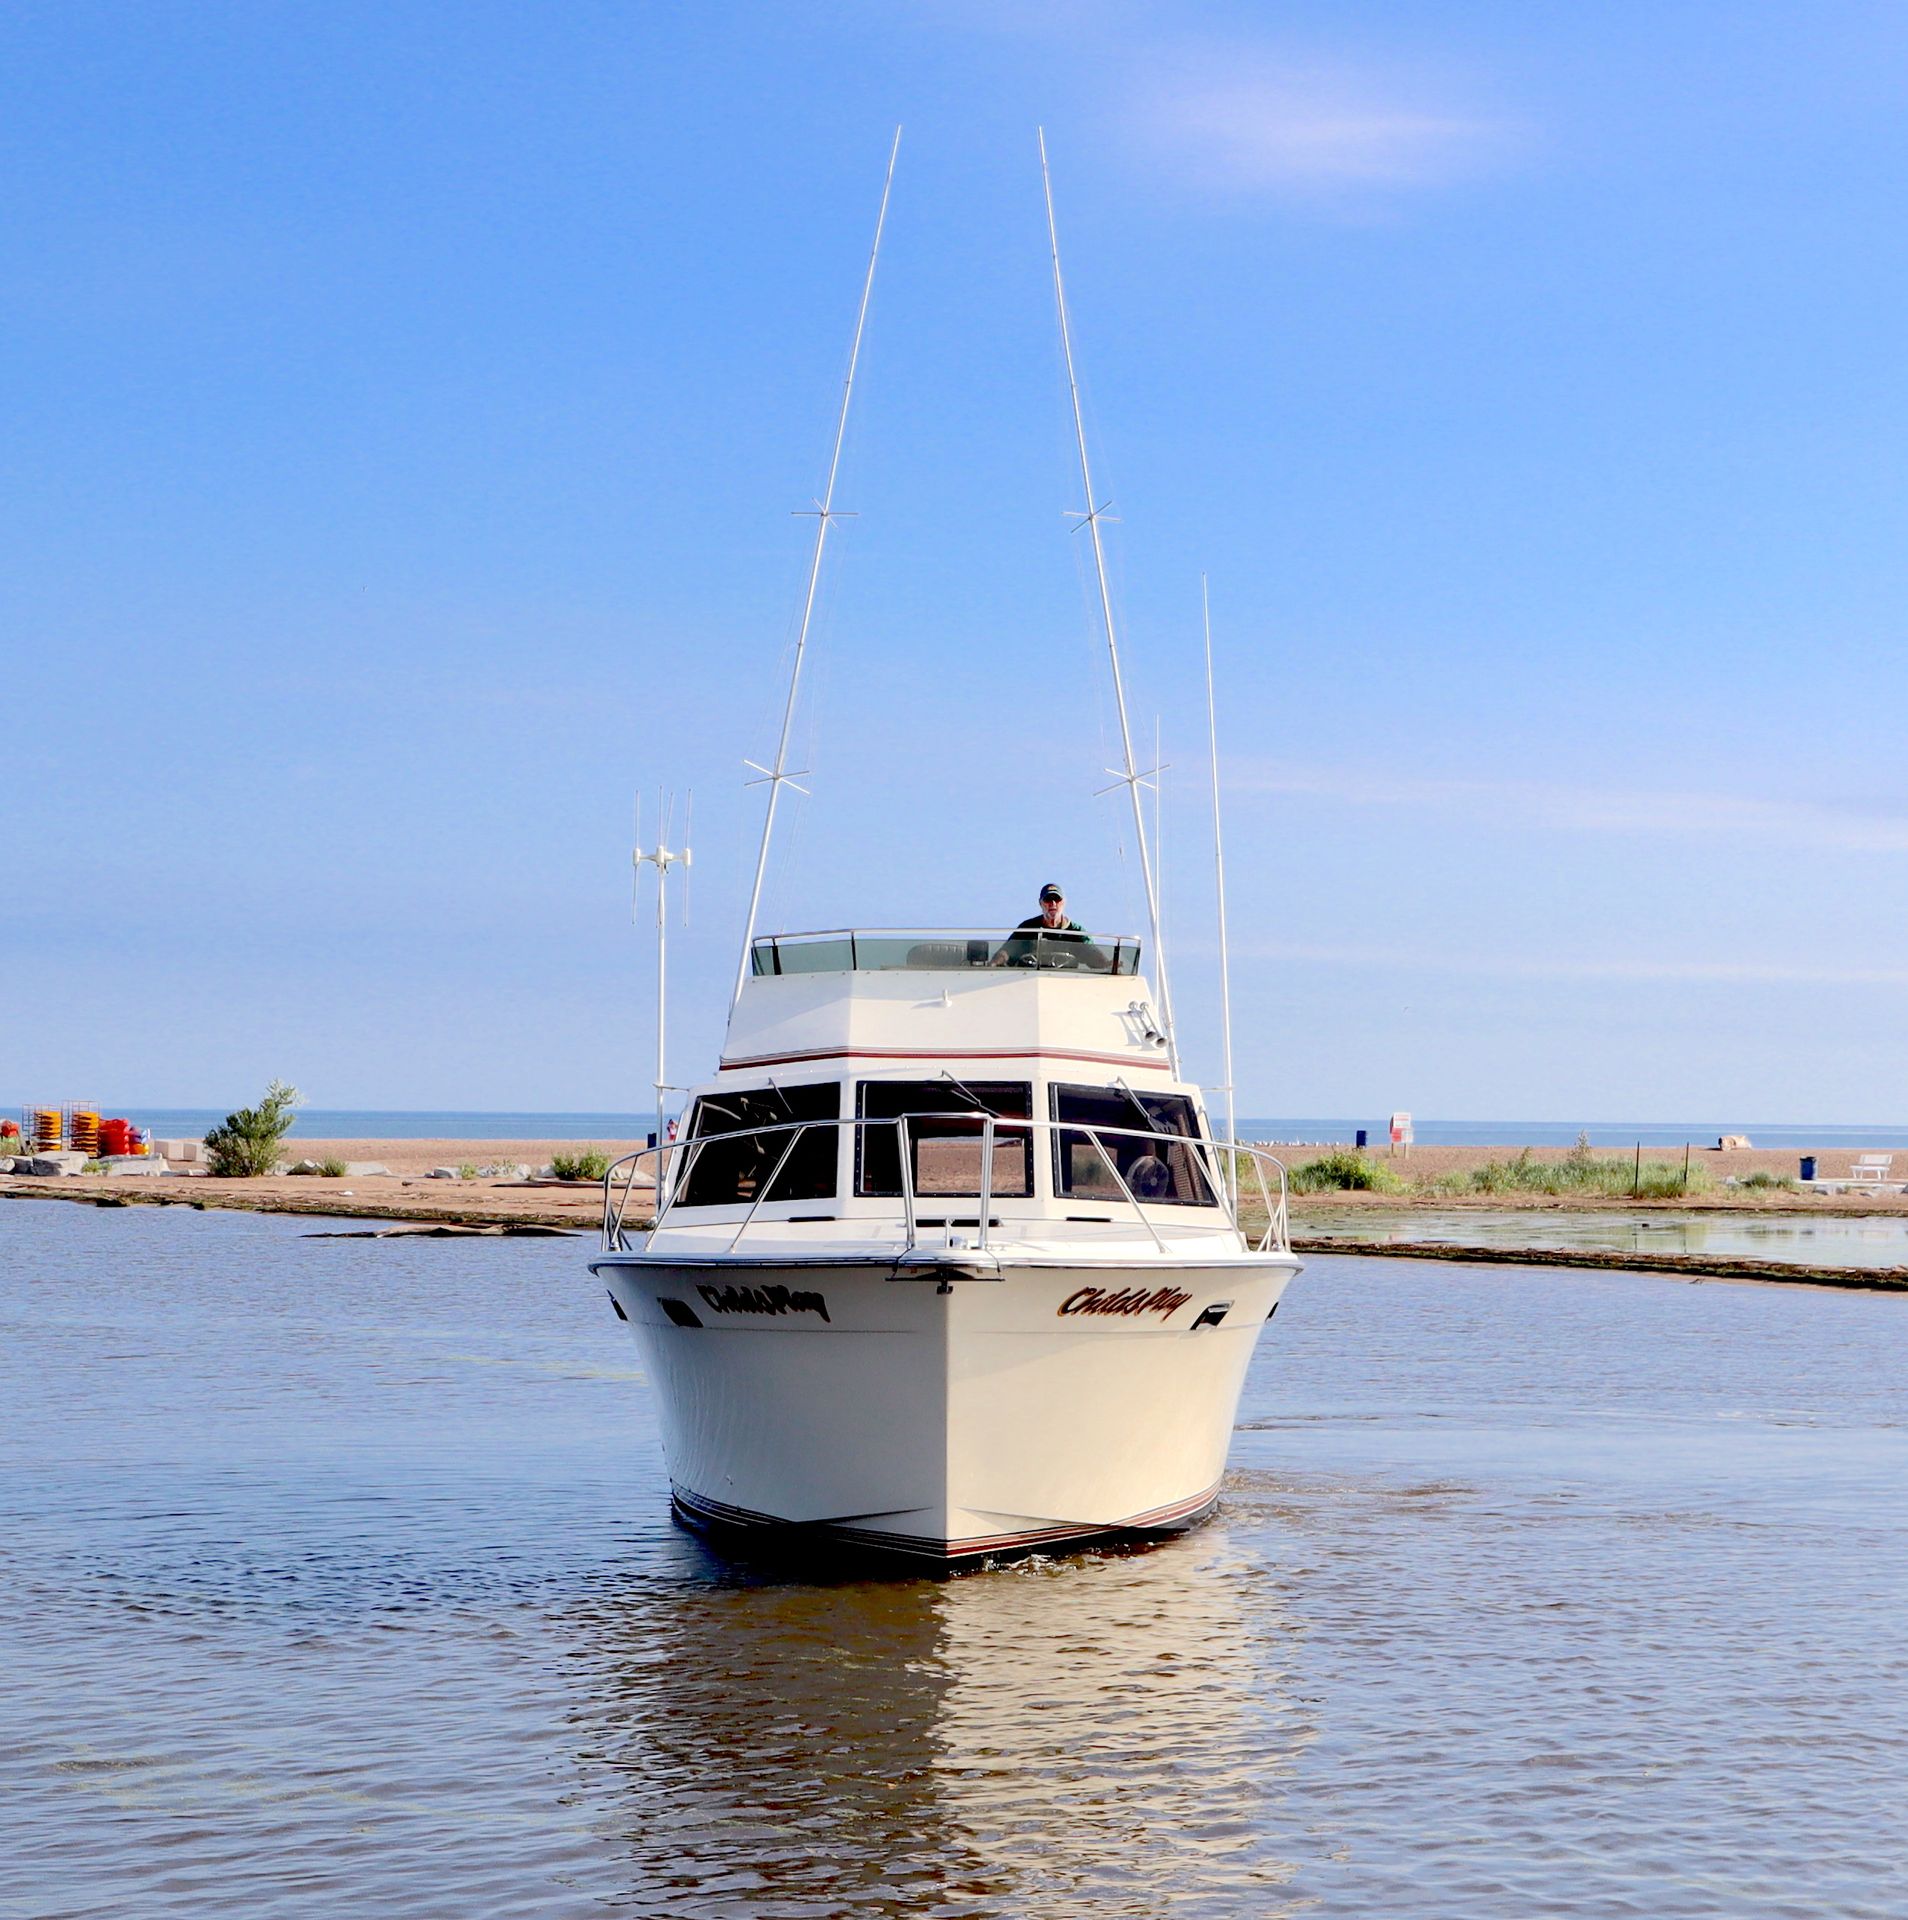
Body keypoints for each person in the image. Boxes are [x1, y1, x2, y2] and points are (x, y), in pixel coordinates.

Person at [992, 883, 1109, 969]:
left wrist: (1108, 964)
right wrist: (994, 963)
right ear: (1040, 903)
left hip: (1065, 983)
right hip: (1028, 980)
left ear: (1063, 903)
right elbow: (1007, 951)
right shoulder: (1028, 928)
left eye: (1057, 899)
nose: (1053, 904)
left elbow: (1091, 952)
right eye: (1048, 899)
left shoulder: (1075, 931)